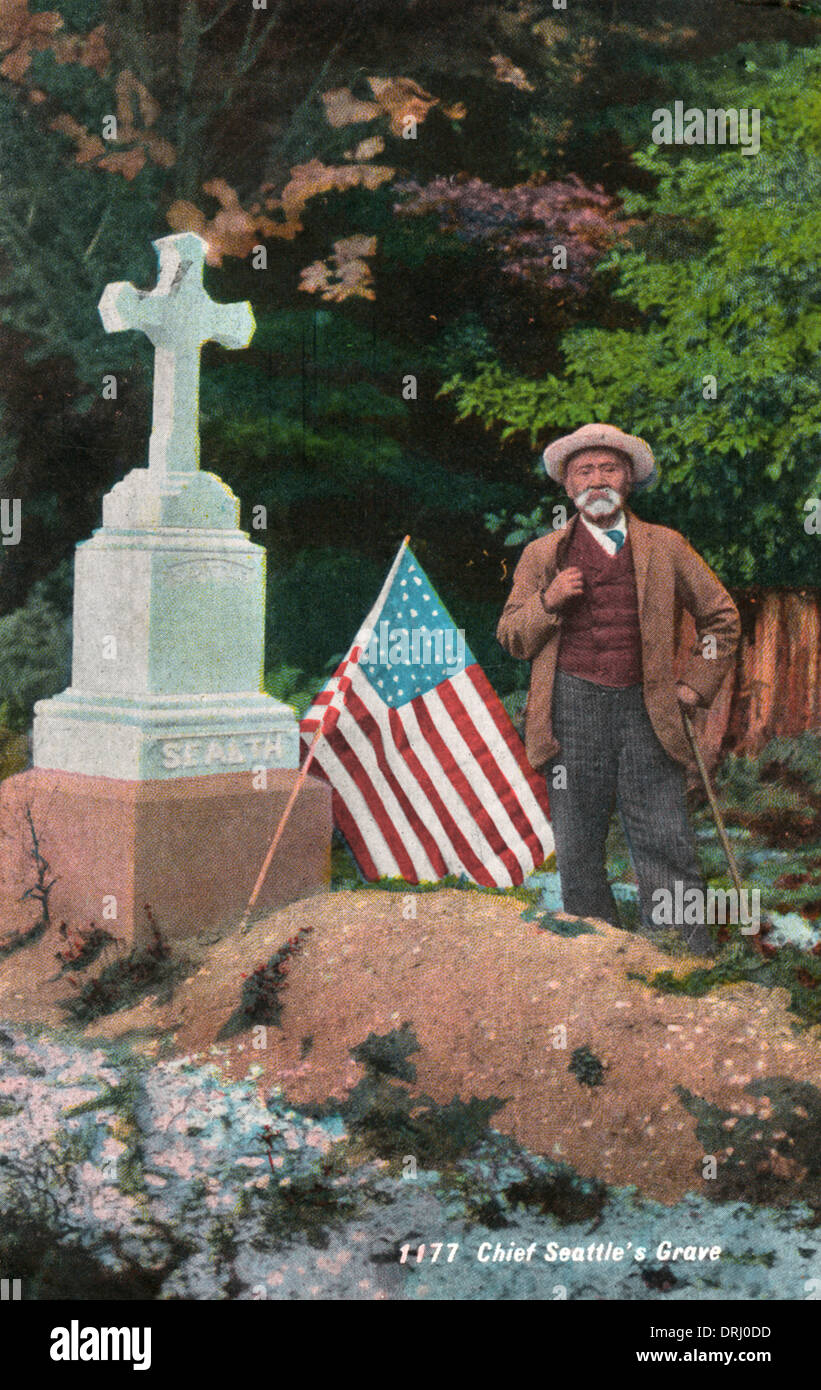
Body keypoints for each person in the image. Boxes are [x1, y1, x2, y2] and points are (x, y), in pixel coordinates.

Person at [497, 423, 741, 955]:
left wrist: (696, 688)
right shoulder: (544, 555)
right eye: (584, 470)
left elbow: (722, 620)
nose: (597, 480)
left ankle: (685, 958)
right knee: (579, 846)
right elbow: (513, 636)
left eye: (610, 468)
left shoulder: (666, 546)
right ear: (568, 487)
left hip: (647, 710)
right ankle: (597, 958)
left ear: (628, 479)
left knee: (665, 839)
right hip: (569, 710)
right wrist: (549, 602)